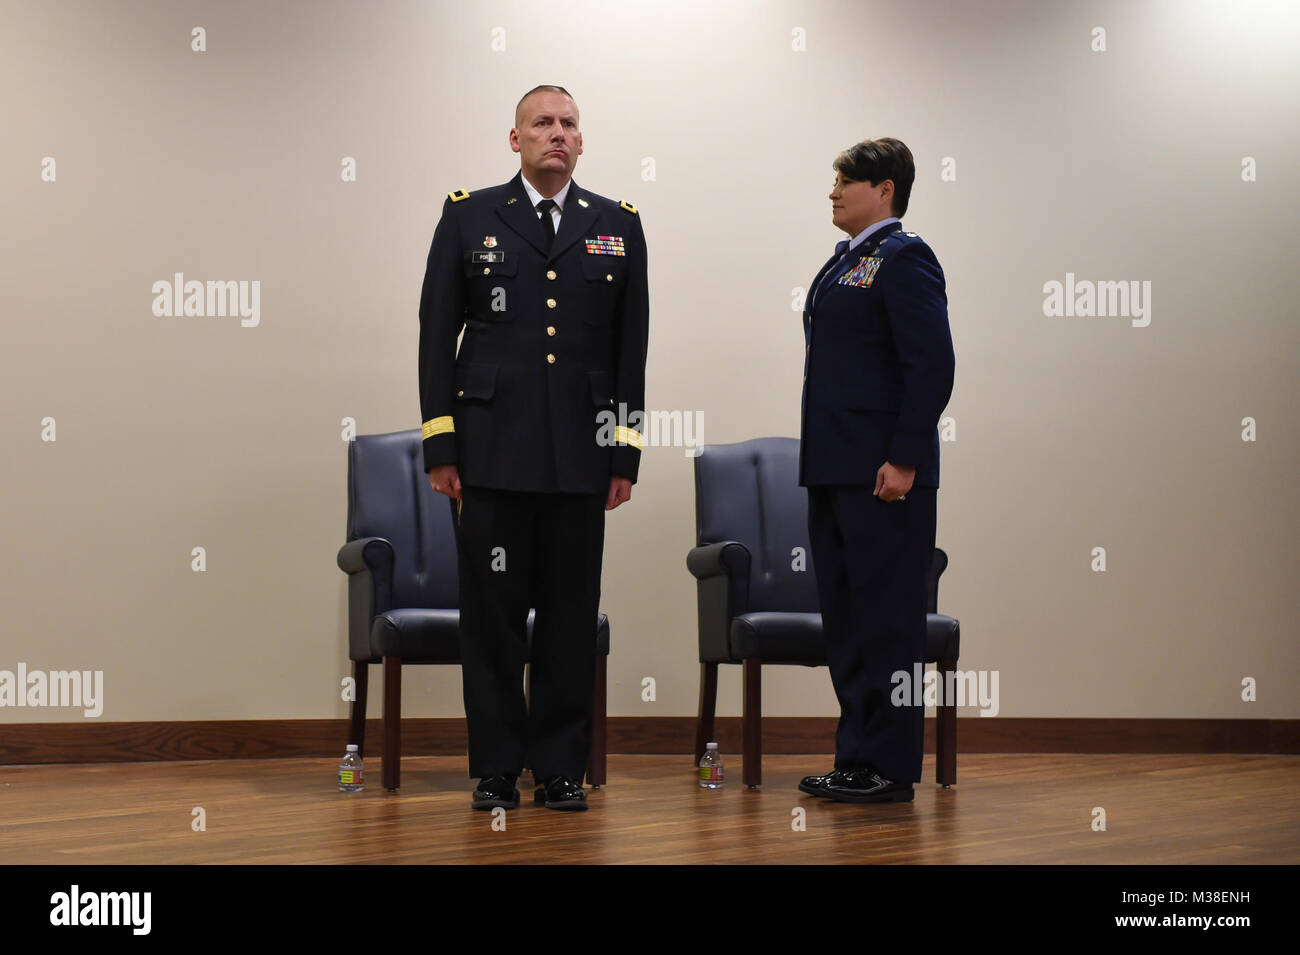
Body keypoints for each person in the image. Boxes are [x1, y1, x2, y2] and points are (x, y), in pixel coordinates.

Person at [417, 85, 648, 812]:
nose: (557, 133)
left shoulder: (618, 224)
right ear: (514, 140)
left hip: (581, 459)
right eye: (542, 123)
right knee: (491, 621)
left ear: (582, 142)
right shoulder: (468, 214)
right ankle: (494, 767)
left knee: (570, 619)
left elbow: (629, 352)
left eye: (569, 124)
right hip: (489, 456)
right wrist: (440, 443)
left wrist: (624, 455)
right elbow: (435, 336)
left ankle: (559, 769)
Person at [797, 138, 955, 804]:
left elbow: (933, 364)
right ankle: (856, 758)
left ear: (884, 188)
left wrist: (905, 456)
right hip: (835, 471)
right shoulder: (846, 263)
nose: (833, 191)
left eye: (845, 181)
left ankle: (888, 766)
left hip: (883, 475)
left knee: (888, 623)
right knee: (850, 621)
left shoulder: (905, 258)